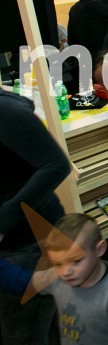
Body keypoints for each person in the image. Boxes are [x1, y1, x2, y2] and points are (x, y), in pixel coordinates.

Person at [0, 214, 108, 344]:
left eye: (76, 261)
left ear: (99, 249)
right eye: (57, 264)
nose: (66, 272)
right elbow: (19, 281)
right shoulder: (56, 277)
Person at [0, 88, 71, 344]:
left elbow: (56, 165)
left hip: (30, 244)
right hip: (19, 244)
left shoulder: (6, 110)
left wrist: (4, 220)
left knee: (24, 333)